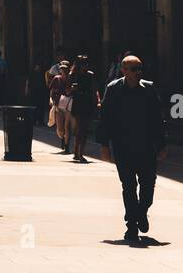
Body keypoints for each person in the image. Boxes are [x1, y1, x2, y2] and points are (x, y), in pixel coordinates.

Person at [97, 54, 168, 242]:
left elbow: (157, 119)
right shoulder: (113, 89)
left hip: (146, 146)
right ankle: (131, 226)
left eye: (140, 69)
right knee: (128, 186)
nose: (138, 72)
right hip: (123, 146)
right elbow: (105, 118)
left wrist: (162, 144)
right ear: (124, 70)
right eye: (134, 69)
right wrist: (104, 145)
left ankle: (142, 211)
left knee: (147, 186)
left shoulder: (149, 89)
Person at [67, 54, 99, 163]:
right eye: (83, 64)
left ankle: (78, 152)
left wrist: (97, 101)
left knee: (82, 129)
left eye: (86, 63)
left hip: (87, 102)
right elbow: (67, 91)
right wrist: (72, 89)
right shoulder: (73, 75)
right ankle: (79, 153)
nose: (85, 66)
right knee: (80, 128)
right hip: (78, 102)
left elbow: (94, 90)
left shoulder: (90, 75)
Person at [48, 62, 71, 150]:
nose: (63, 70)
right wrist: (50, 99)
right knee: (60, 127)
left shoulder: (71, 78)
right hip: (59, 104)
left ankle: (66, 145)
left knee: (67, 126)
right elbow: (52, 90)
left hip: (69, 105)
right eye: (62, 68)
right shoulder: (57, 78)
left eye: (65, 68)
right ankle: (63, 139)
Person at [28, 61, 48, 126]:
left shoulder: (43, 74)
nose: (38, 68)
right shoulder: (32, 73)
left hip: (40, 92)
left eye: (39, 66)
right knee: (34, 106)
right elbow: (29, 83)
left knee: (41, 107)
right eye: (37, 66)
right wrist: (28, 90)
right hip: (34, 92)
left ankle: (40, 120)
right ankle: (34, 120)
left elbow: (45, 83)